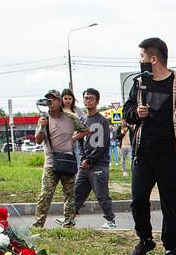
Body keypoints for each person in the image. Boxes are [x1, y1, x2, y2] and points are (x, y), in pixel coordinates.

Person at [123, 37, 176, 255]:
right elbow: (126, 110)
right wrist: (135, 113)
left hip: (170, 153)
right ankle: (145, 239)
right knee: (138, 200)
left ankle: (171, 250)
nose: (140, 60)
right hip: (143, 153)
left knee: (171, 204)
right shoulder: (139, 83)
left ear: (153, 58)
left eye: (141, 56)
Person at [33, 90, 88, 228]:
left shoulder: (70, 117)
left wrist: (73, 139)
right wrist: (41, 127)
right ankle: (38, 224)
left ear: (59, 101)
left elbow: (86, 130)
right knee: (45, 194)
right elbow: (38, 141)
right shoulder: (43, 119)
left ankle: (68, 223)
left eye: (53, 99)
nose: (50, 103)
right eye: (48, 100)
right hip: (51, 162)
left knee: (69, 194)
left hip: (67, 160)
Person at [73, 88, 117, 228]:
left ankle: (111, 221)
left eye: (91, 98)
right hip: (84, 164)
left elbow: (102, 145)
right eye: (86, 98)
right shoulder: (82, 119)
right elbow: (80, 141)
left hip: (99, 164)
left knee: (101, 194)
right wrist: (83, 158)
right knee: (77, 193)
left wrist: (90, 160)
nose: (88, 100)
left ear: (97, 101)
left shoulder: (102, 121)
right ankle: (69, 219)